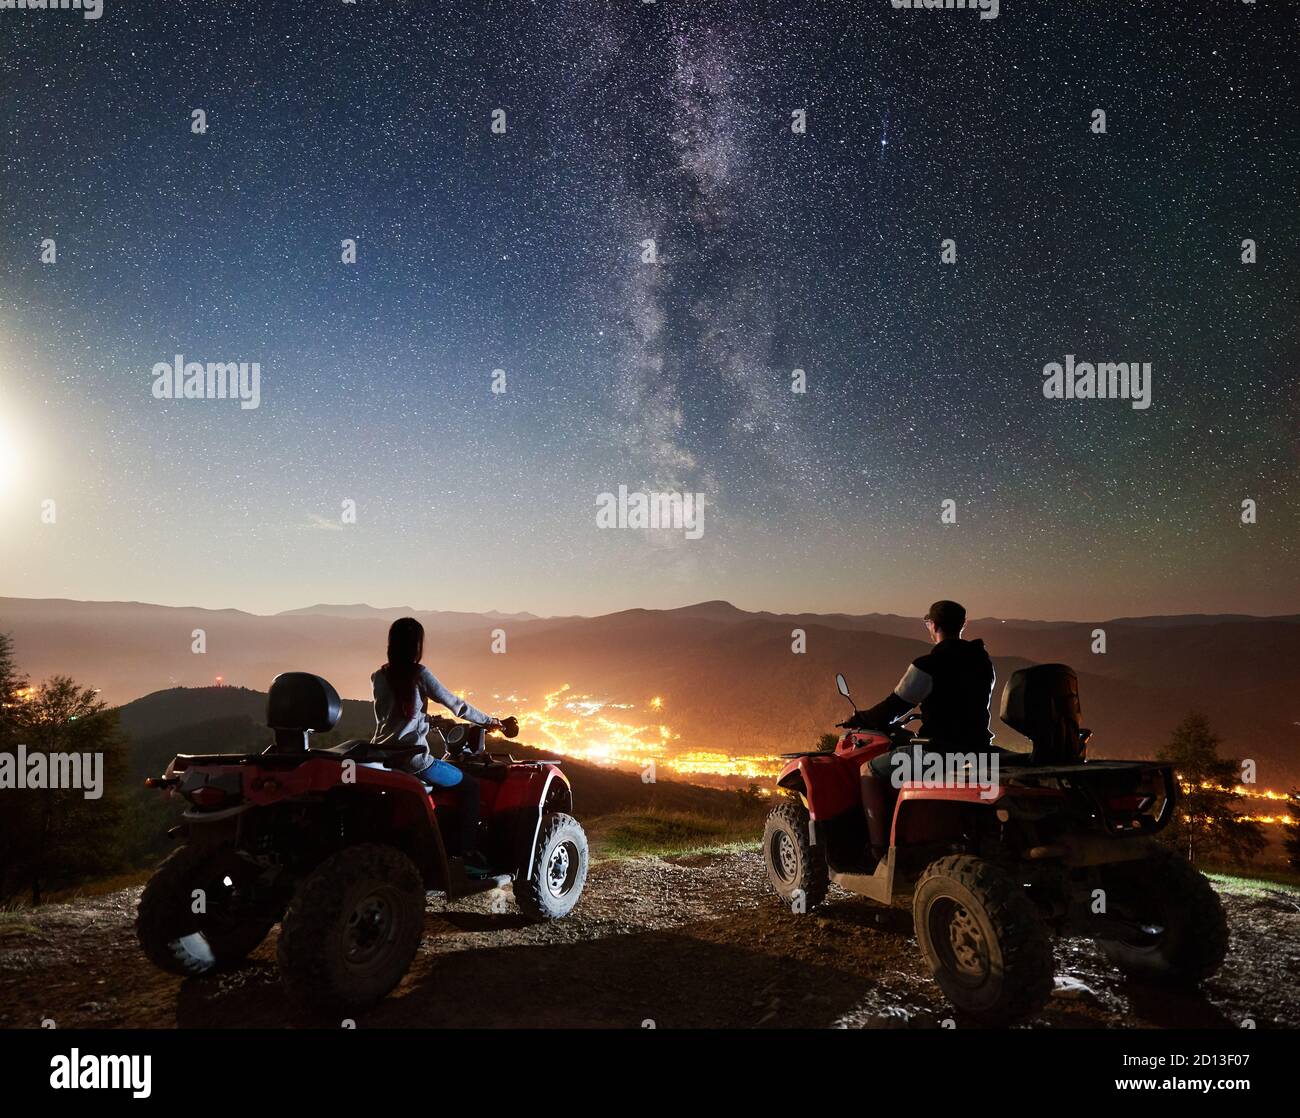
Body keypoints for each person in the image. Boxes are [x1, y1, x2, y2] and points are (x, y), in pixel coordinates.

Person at [845, 600, 996, 858]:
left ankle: (879, 850)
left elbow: (894, 707)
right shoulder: (982, 662)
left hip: (940, 752)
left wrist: (860, 718)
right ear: (963, 624)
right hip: (979, 750)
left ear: (933, 624)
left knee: (868, 771)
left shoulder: (928, 665)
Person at [371, 617, 503, 870]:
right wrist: (490, 722)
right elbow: (458, 706)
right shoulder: (419, 674)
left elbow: (390, 716)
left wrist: (427, 720)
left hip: (382, 757)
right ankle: (467, 856)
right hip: (414, 761)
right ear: (417, 645)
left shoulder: (378, 676)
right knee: (471, 786)